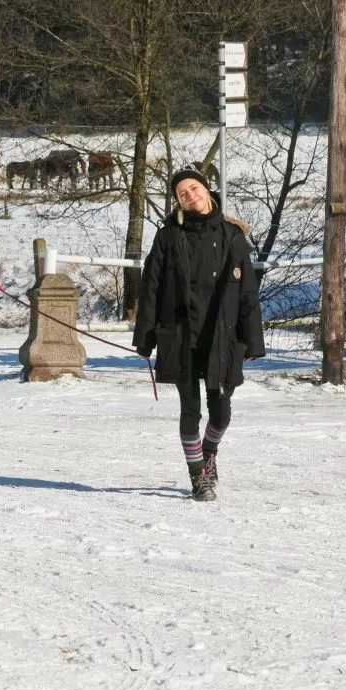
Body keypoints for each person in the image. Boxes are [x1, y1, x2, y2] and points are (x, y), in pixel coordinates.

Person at [133, 165, 265, 502]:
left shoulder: (233, 236)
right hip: (180, 335)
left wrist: (252, 339)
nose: (190, 196)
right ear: (178, 202)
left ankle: (209, 453)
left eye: (194, 188)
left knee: (221, 412)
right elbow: (151, 288)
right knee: (190, 410)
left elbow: (248, 292)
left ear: (206, 189)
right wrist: (145, 338)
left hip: (223, 336)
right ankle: (199, 477)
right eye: (182, 194)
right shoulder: (168, 237)